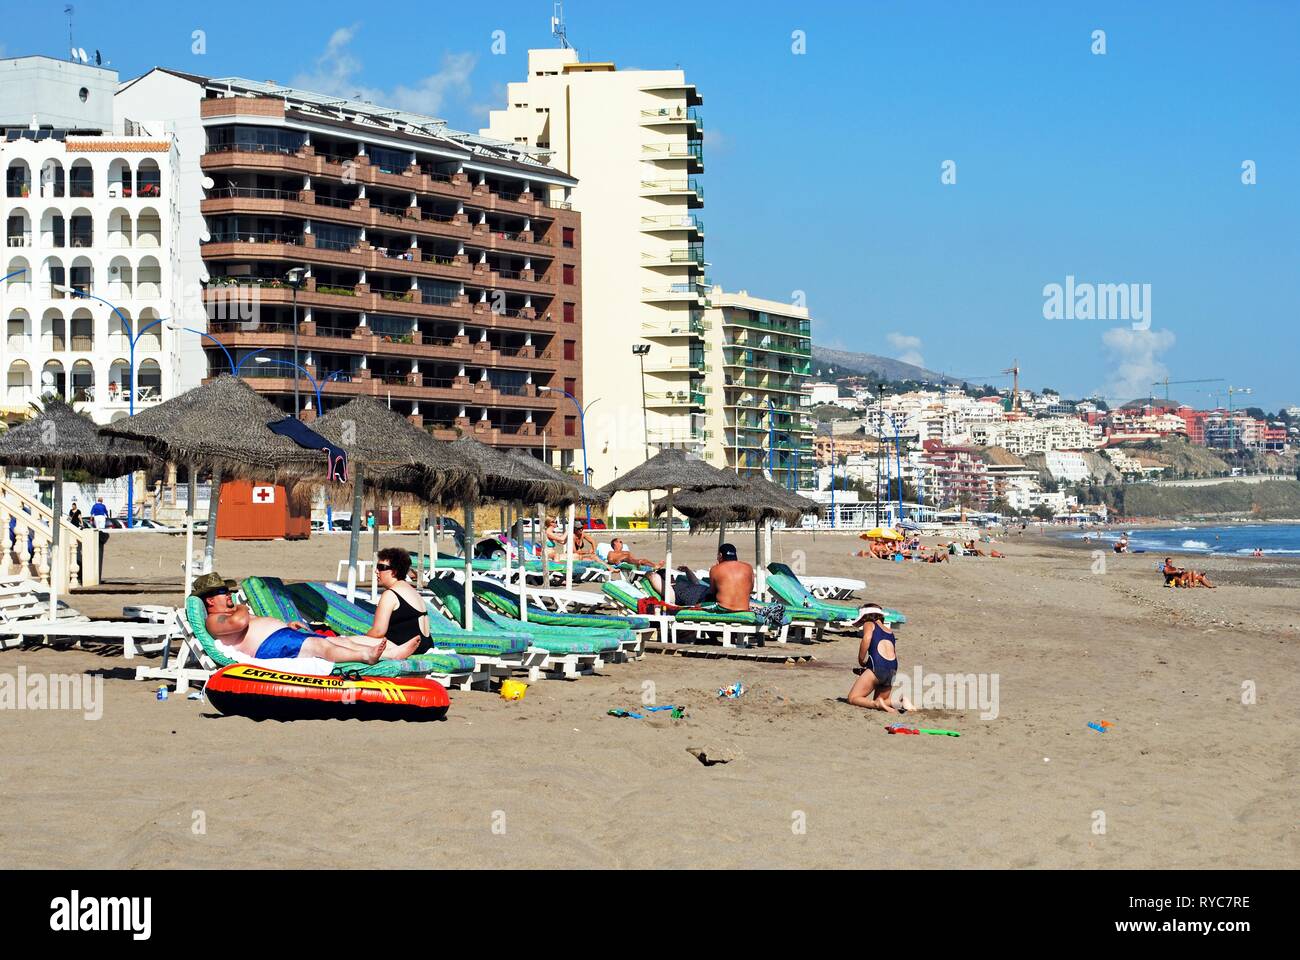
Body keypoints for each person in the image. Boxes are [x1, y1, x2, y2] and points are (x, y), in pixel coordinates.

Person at [194, 572, 387, 663]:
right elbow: (241, 623)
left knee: (337, 641)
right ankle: (365, 656)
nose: (228, 594)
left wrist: (285, 624)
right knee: (321, 647)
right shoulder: (214, 619)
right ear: (210, 600)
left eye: (228, 590)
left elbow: (251, 624)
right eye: (222, 592)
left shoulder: (230, 612)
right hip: (269, 646)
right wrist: (241, 607)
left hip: (281, 636)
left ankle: (387, 656)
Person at [847, 605, 916, 712]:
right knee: (882, 700)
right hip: (892, 668)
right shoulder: (889, 631)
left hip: (877, 665)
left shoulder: (869, 623)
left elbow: (867, 638)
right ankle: (899, 700)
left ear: (866, 616)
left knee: (853, 698)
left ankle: (877, 703)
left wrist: (861, 660)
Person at [365, 548, 431, 657]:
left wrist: (361, 639)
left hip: (405, 648)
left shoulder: (390, 594)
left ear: (394, 571)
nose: (376, 571)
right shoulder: (412, 591)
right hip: (424, 645)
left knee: (346, 643)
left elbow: (378, 632)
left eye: (381, 567)